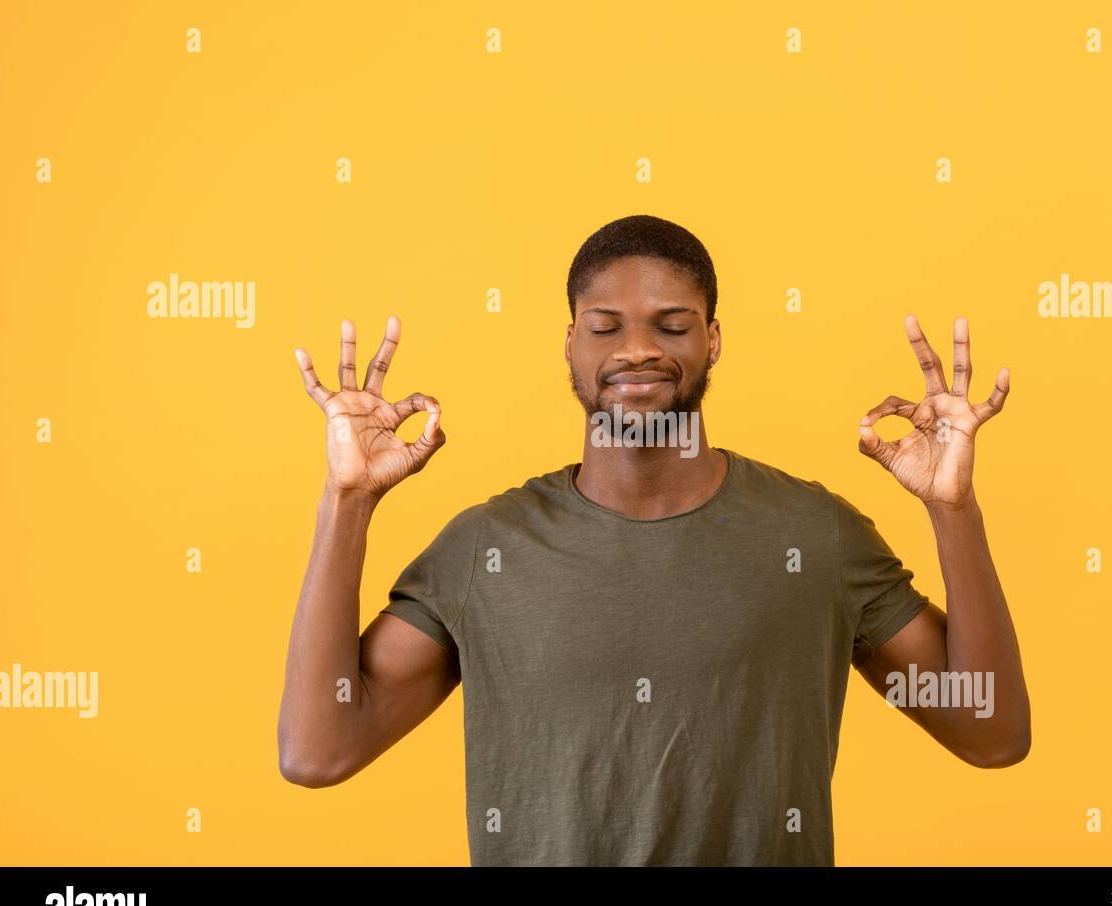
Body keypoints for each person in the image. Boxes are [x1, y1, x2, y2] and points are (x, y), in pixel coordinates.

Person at [276, 214, 1030, 866]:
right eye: (606, 328)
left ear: (714, 339)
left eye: (671, 325)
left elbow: (991, 733)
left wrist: (953, 509)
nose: (637, 349)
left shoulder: (815, 537)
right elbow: (318, 750)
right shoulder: (487, 549)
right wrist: (347, 501)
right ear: (570, 345)